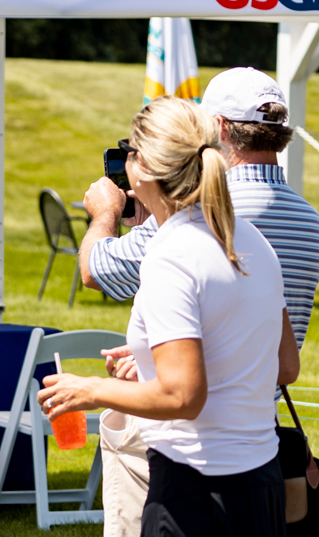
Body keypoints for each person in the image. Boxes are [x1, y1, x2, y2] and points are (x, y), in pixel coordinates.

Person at [40, 96, 299, 537]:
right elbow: (286, 366)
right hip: (262, 486)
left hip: (194, 492)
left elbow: (183, 397)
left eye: (130, 153)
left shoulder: (170, 254)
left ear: (143, 169)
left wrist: (91, 388)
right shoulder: (251, 239)